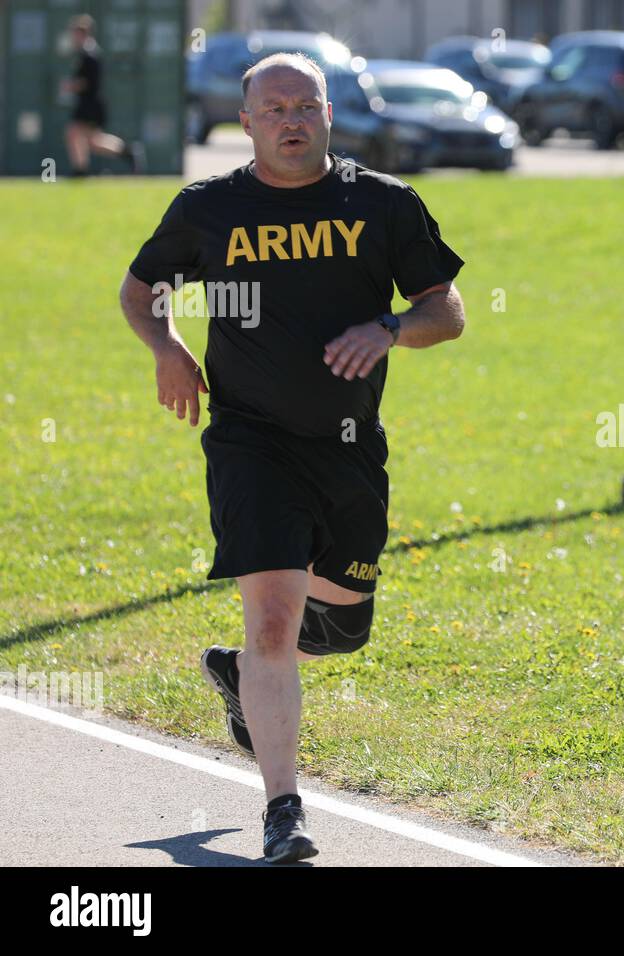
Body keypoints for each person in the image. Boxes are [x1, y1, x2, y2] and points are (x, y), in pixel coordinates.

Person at [117, 51, 466, 863]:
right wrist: (167, 350)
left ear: (329, 114)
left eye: (305, 105)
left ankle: (242, 678)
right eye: (273, 108)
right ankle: (284, 811)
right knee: (272, 622)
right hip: (249, 440)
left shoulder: (381, 204)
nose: (291, 120)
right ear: (245, 122)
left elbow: (443, 311)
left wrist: (386, 330)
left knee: (340, 632)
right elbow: (141, 292)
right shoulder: (208, 210)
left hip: (348, 448)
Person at [62, 15, 141, 175]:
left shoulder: (89, 55)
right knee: (93, 141)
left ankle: (80, 170)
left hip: (90, 104)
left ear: (83, 34)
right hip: (89, 103)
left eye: (75, 34)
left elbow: (88, 82)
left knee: (73, 134)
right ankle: (127, 152)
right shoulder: (86, 53)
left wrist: (70, 86)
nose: (73, 38)